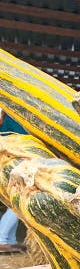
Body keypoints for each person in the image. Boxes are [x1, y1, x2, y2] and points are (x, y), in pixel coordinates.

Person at [0, 108, 24, 253]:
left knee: (14, 201)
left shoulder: (10, 118)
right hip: (14, 161)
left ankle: (10, 240)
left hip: (10, 160)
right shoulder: (14, 119)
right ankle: (3, 239)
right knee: (17, 201)